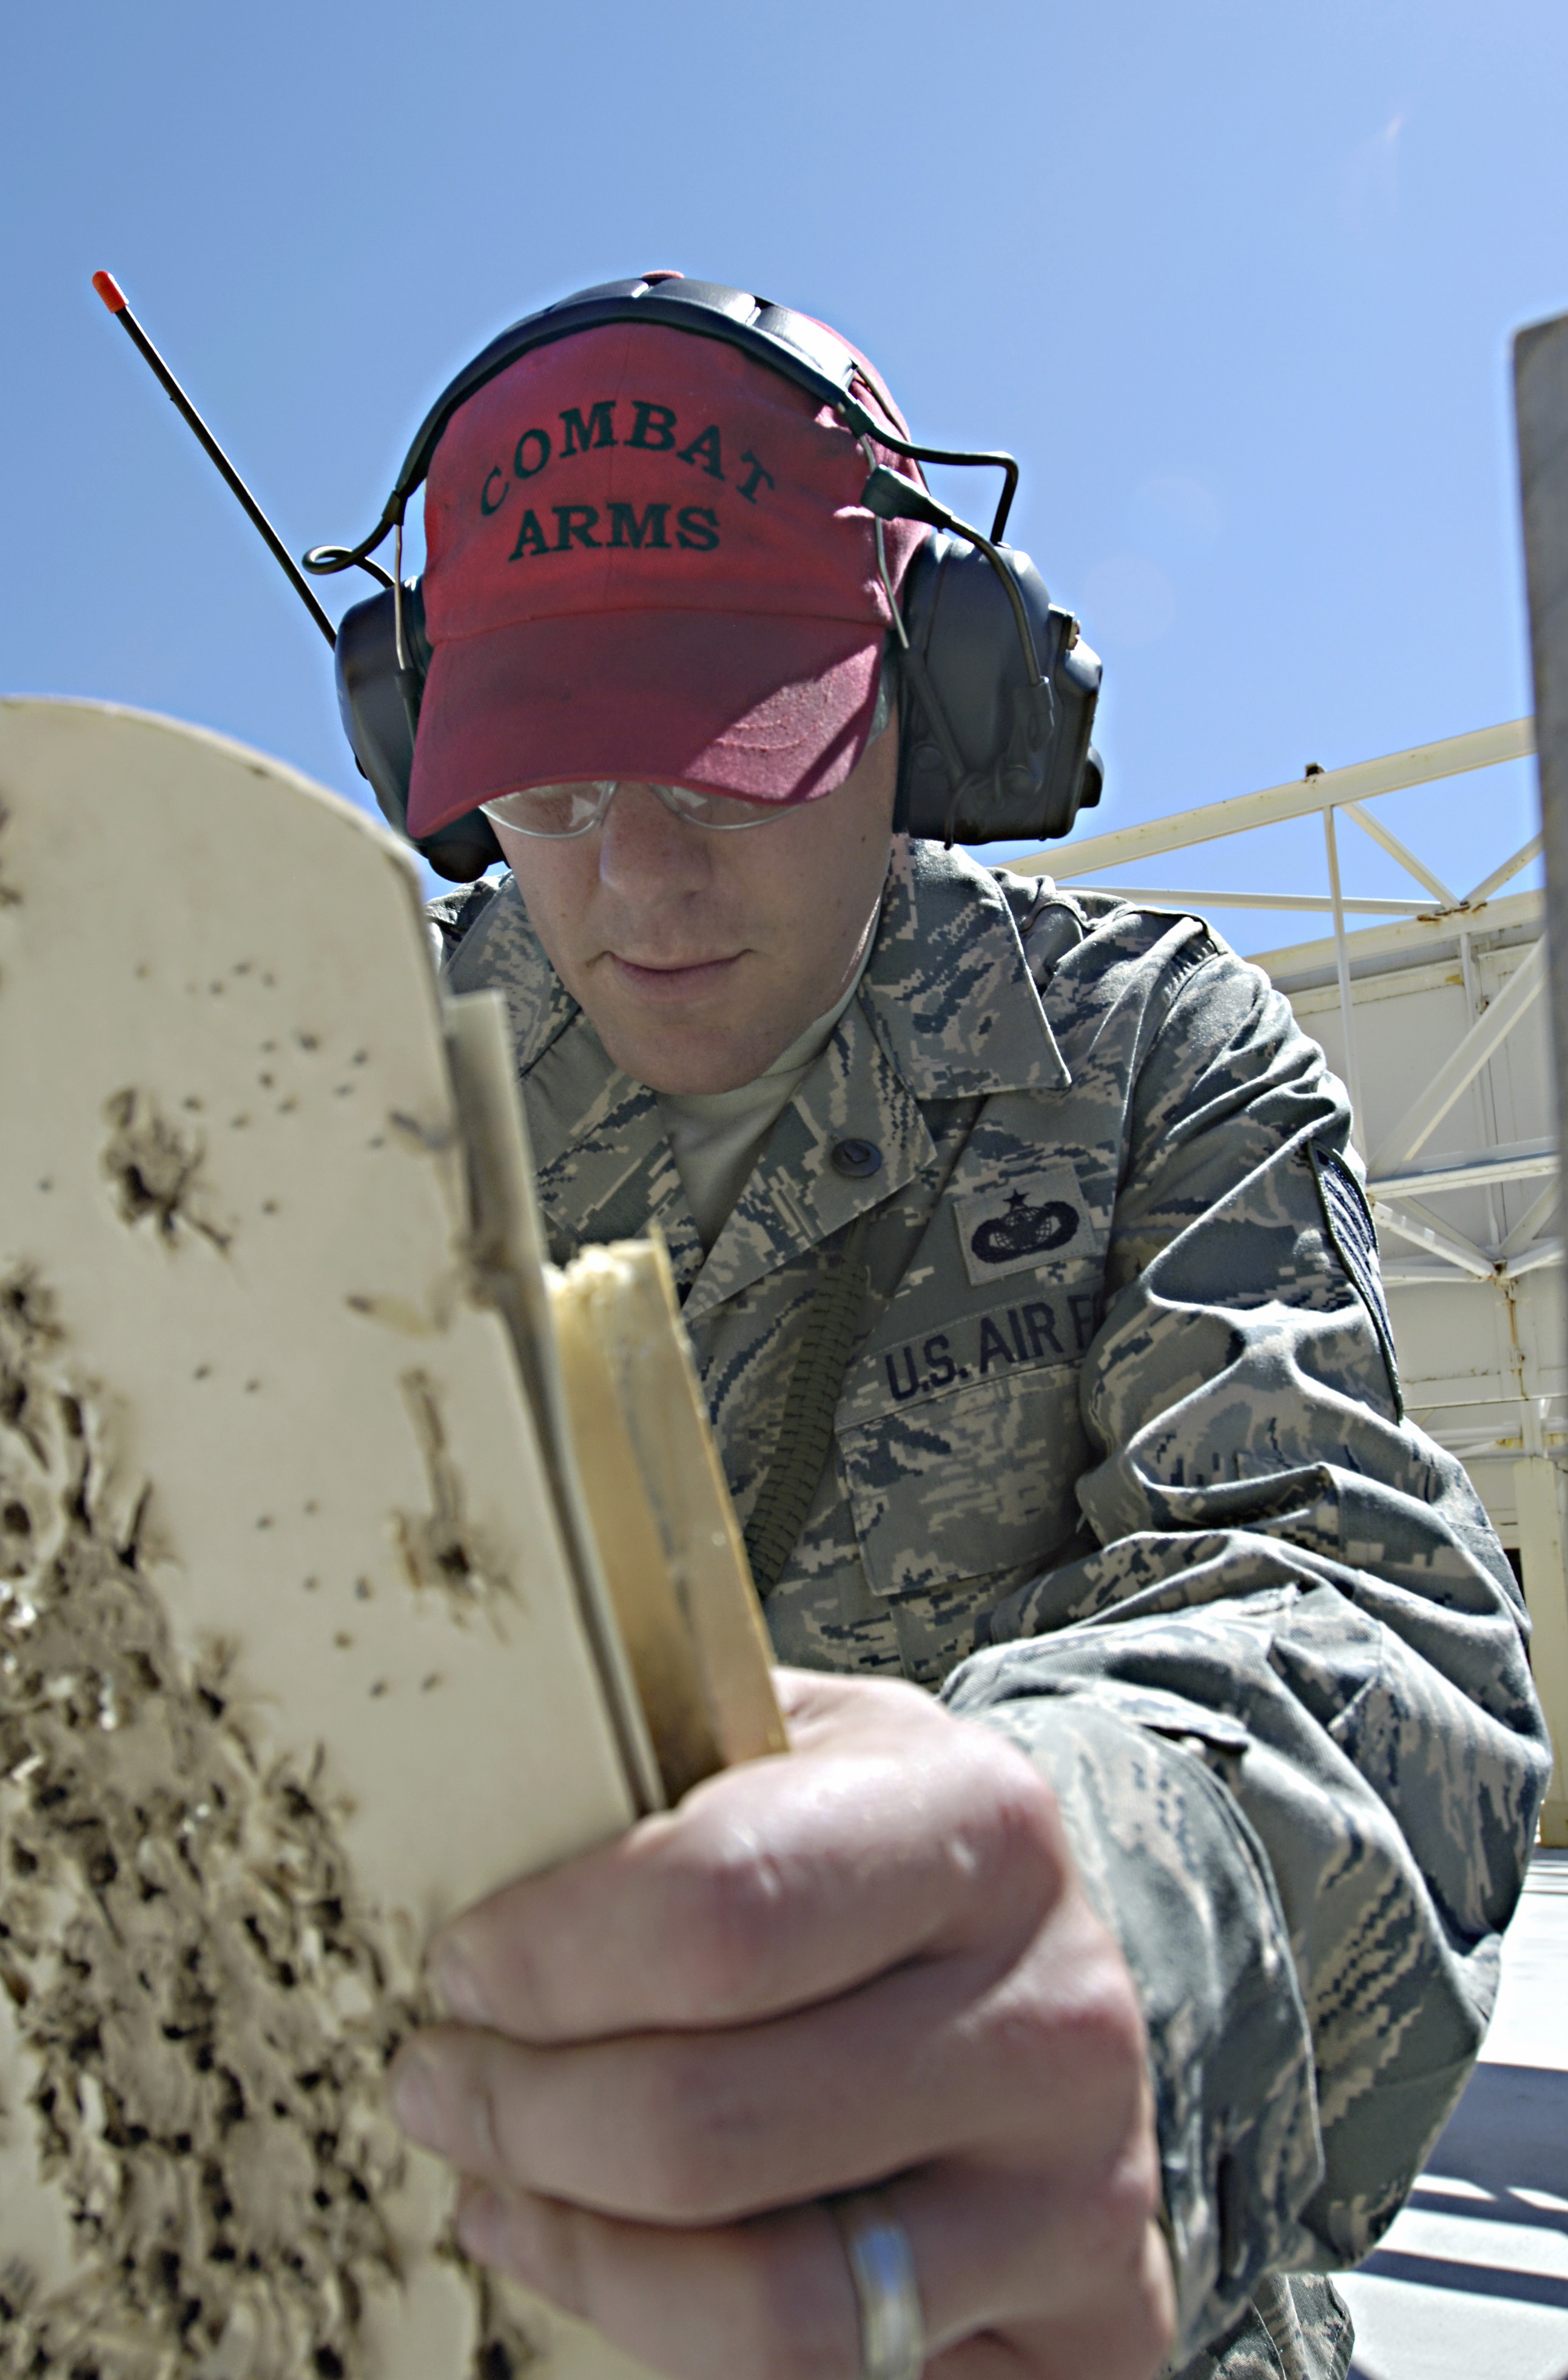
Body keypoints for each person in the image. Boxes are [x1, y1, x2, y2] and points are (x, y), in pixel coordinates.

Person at [377, 289, 1550, 2380]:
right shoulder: (334, 1062)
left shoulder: (1147, 1055)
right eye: (548, 790)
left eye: (729, 758)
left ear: (930, 697)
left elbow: (1359, 1604)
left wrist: (1090, 1905)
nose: (638, 876)